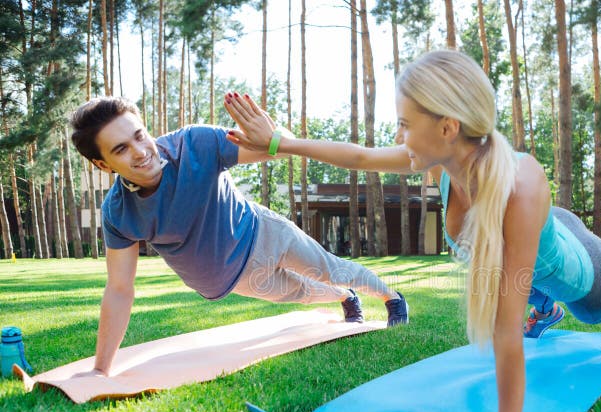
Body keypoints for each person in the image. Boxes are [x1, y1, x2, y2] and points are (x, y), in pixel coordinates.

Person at [223, 49, 601, 412]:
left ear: (447, 127)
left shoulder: (520, 186)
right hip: (531, 259)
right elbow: (361, 157)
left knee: (594, 311)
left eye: (405, 124)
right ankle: (547, 308)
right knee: (525, 284)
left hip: (579, 268)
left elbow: (504, 329)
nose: (399, 134)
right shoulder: (443, 160)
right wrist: (278, 143)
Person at [68, 96, 409, 376]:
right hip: (234, 280)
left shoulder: (194, 144)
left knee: (328, 268)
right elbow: (119, 288)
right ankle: (345, 297)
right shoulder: (119, 211)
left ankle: (392, 297)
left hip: (265, 235)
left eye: (140, 135)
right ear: (103, 164)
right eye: (121, 149)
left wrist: (271, 134)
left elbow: (278, 146)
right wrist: (101, 369)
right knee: (305, 293)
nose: (141, 151)